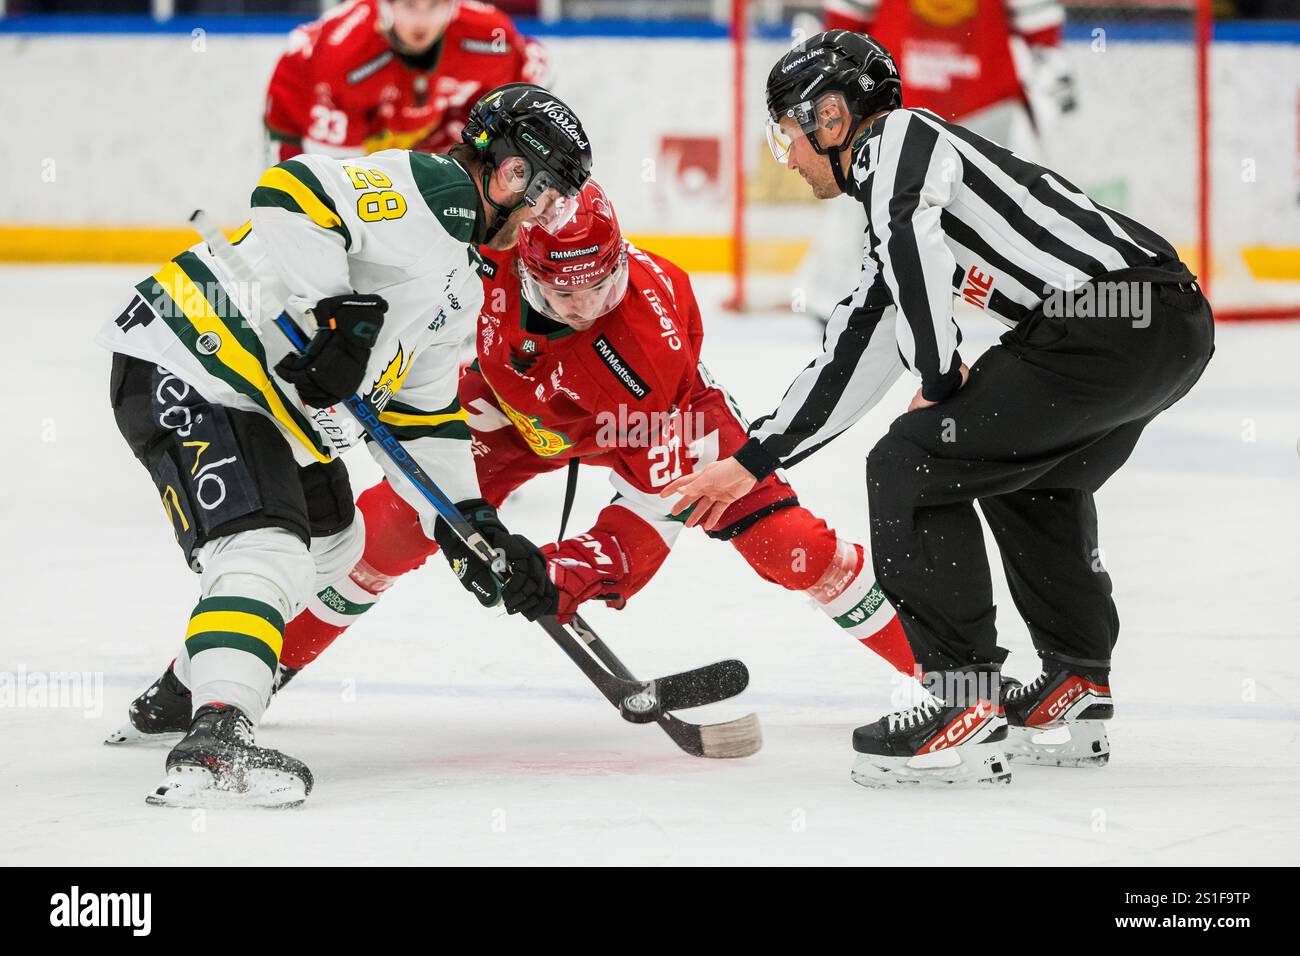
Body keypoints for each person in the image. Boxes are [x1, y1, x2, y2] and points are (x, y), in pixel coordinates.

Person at [108, 181, 914, 746]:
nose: (586, 305)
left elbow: (654, 502)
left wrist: (572, 569)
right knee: (379, 538)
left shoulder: (646, 340)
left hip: (640, 417)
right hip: (505, 415)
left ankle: (951, 676)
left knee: (791, 542)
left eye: (602, 284)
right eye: (565, 293)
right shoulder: (480, 265)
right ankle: (225, 680)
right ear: (521, 266)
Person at [664, 31, 1214, 788]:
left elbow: (912, 254)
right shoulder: (893, 197)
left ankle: (962, 698)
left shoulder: (899, 140)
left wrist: (940, 371)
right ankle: (1077, 682)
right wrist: (756, 458)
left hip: (1115, 322)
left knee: (910, 462)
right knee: (1028, 476)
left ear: (832, 117)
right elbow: (858, 344)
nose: (786, 155)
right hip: (1160, 331)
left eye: (789, 132)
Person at [100, 83, 591, 807]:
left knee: (334, 541)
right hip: (191, 355)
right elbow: (290, 190)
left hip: (257, 399)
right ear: (511, 172)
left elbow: (422, 416)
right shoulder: (434, 188)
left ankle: (180, 690)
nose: (547, 215)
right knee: (264, 545)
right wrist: (339, 311)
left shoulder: (465, 274)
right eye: (548, 194)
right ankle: (215, 736)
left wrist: (470, 523)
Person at [797, 0, 1075, 322]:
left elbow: (1040, 27)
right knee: (857, 197)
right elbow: (845, 21)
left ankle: (1049, 301)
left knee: (1016, 206)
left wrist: (1049, 68)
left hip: (983, 103)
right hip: (897, 97)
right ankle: (834, 296)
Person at [265, 0, 548, 162]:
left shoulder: (488, 35)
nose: (421, 21)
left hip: (415, 122)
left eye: (434, 4)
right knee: (310, 211)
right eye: (410, 5)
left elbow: (530, 79)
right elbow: (331, 170)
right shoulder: (346, 55)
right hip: (299, 113)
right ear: (385, 6)